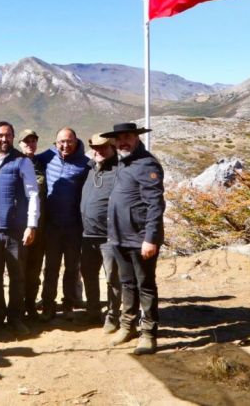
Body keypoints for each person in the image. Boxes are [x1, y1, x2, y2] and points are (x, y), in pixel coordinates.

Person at [101, 122, 165, 355]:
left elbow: (155, 206)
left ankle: (148, 334)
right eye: (118, 139)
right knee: (127, 283)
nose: (122, 142)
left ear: (137, 138)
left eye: (127, 137)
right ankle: (127, 326)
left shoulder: (146, 164)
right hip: (118, 237)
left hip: (140, 239)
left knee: (145, 286)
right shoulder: (122, 162)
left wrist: (150, 239)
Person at [0, 121, 39, 335]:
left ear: (13, 137)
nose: (4, 139)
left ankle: (16, 318)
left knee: (17, 276)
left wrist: (31, 225)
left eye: (8, 135)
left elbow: (32, 194)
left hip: (16, 230)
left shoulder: (22, 162)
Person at [37, 127, 90, 321]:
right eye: (61, 142)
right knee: (50, 268)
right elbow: (30, 159)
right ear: (55, 143)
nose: (65, 145)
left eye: (69, 141)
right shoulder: (47, 157)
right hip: (51, 226)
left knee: (71, 268)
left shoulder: (85, 164)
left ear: (76, 141)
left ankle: (68, 304)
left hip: (74, 226)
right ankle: (48, 306)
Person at [77, 133, 121, 331]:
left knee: (113, 278)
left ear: (112, 147)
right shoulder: (89, 169)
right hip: (87, 235)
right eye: (95, 147)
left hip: (109, 236)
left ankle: (113, 316)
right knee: (88, 274)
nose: (98, 151)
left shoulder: (120, 171)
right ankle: (93, 311)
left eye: (103, 147)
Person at [18, 129, 47, 321]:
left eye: (33, 140)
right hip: (20, 226)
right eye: (26, 141)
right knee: (18, 269)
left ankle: (30, 304)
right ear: (19, 143)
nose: (30, 144)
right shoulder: (14, 163)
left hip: (41, 226)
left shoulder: (43, 163)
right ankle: (17, 307)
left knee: (35, 268)